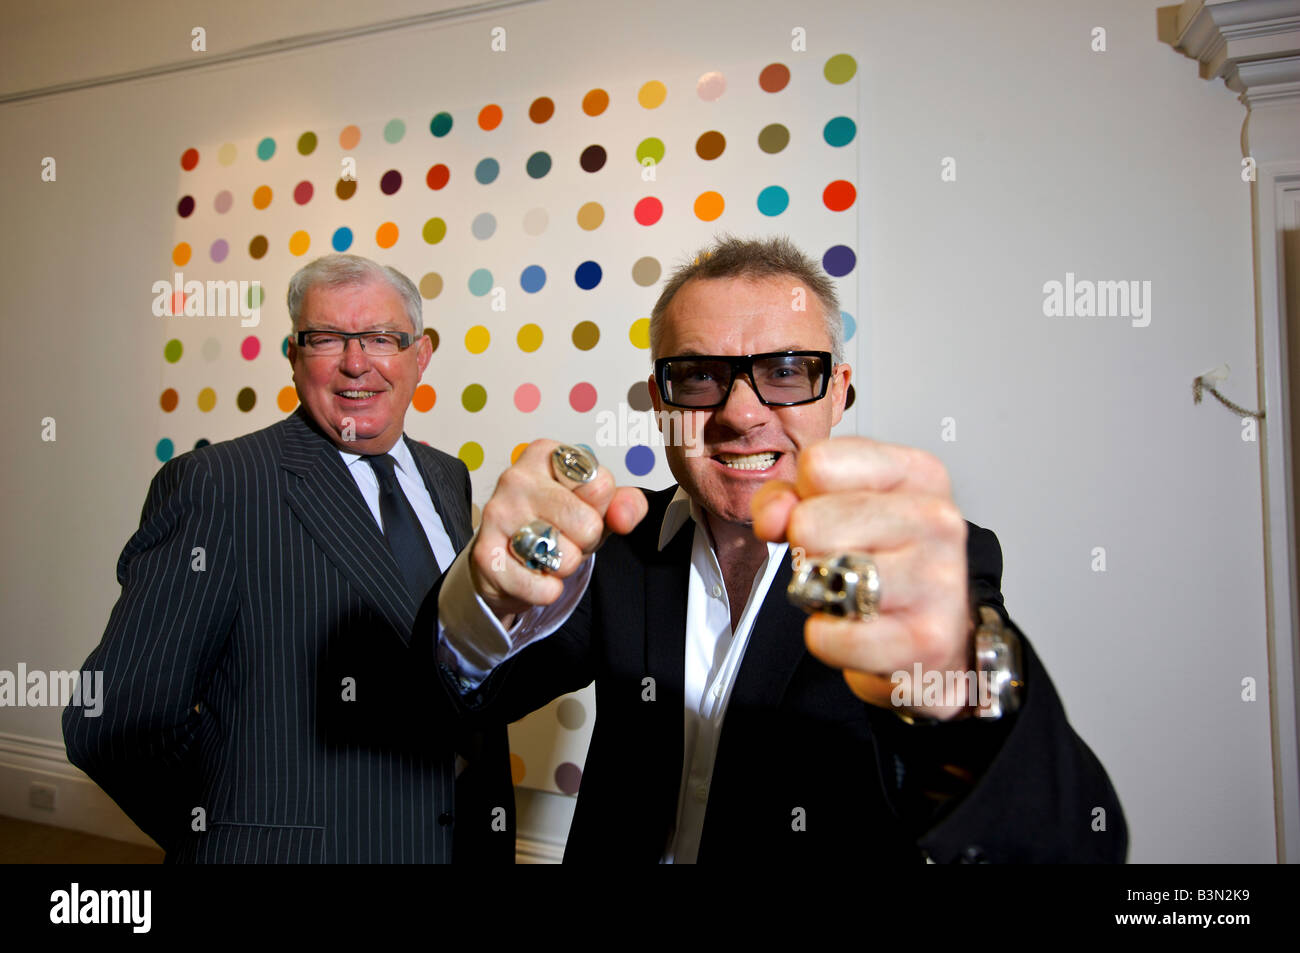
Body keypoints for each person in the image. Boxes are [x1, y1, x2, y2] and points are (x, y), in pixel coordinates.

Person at [435, 235, 1127, 863]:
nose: (740, 413)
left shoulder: (913, 566)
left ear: (839, 393)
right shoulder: (614, 539)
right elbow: (454, 697)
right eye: (701, 375)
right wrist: (485, 594)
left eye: (788, 371)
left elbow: (1066, 845)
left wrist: (954, 692)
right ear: (660, 400)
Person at [64, 254, 513, 863]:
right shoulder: (219, 484)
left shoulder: (447, 478)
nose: (357, 363)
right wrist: (230, 837)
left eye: (381, 338)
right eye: (326, 339)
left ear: (420, 355)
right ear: (295, 357)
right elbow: (113, 721)